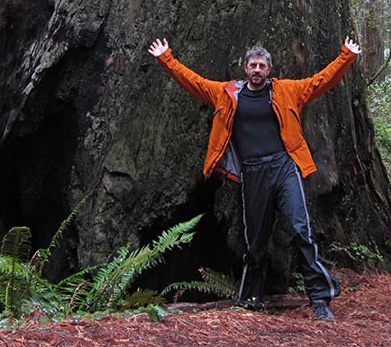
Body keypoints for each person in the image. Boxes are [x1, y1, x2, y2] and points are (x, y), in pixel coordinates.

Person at [148, 35, 361, 320]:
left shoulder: (287, 90)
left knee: (300, 230)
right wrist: (166, 58)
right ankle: (250, 299)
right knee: (256, 241)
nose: (257, 70)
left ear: (269, 70)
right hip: (252, 173)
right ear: (245, 69)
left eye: (262, 65)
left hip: (284, 167)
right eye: (253, 65)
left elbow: (321, 82)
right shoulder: (227, 93)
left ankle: (320, 299)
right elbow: (193, 82)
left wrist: (346, 56)